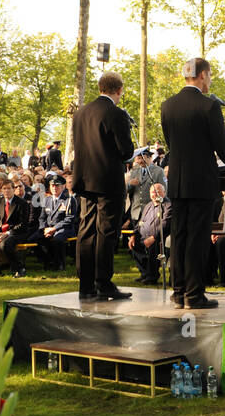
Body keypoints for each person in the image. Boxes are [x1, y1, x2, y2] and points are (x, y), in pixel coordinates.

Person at [160, 58, 225, 310]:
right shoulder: (209, 106)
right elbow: (221, 144)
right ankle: (194, 295)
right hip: (201, 181)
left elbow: (171, 142)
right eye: (210, 75)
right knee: (197, 238)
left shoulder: (167, 105)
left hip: (178, 182)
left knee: (179, 235)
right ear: (202, 75)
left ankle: (178, 292)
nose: (210, 80)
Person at [71, 70, 135, 301]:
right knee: (107, 232)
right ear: (119, 90)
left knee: (86, 230)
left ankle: (85, 285)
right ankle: (103, 283)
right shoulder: (116, 114)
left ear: (100, 88)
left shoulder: (80, 113)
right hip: (108, 180)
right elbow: (126, 151)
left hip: (84, 179)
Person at [0, 176, 31, 277]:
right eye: (4, 188)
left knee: (4, 244)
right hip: (1, 232)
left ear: (14, 189)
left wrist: (7, 233)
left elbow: (23, 224)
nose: (6, 191)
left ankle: (20, 269)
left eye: (9, 188)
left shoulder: (22, 204)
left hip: (17, 233)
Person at [129, 182, 170, 284]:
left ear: (164, 192)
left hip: (158, 237)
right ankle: (145, 273)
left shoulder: (168, 205)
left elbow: (165, 224)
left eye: (157, 192)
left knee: (154, 246)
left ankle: (152, 276)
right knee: (134, 245)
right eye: (152, 192)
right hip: (143, 236)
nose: (154, 194)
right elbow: (141, 222)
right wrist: (134, 235)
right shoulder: (148, 205)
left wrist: (153, 237)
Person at [37, 173, 78, 270]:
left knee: (57, 239)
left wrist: (54, 229)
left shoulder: (69, 200)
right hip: (48, 229)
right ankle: (48, 262)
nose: (54, 188)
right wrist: (45, 229)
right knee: (37, 238)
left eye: (57, 185)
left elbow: (69, 218)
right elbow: (42, 218)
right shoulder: (46, 200)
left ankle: (59, 264)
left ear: (63, 186)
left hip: (64, 229)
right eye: (52, 185)